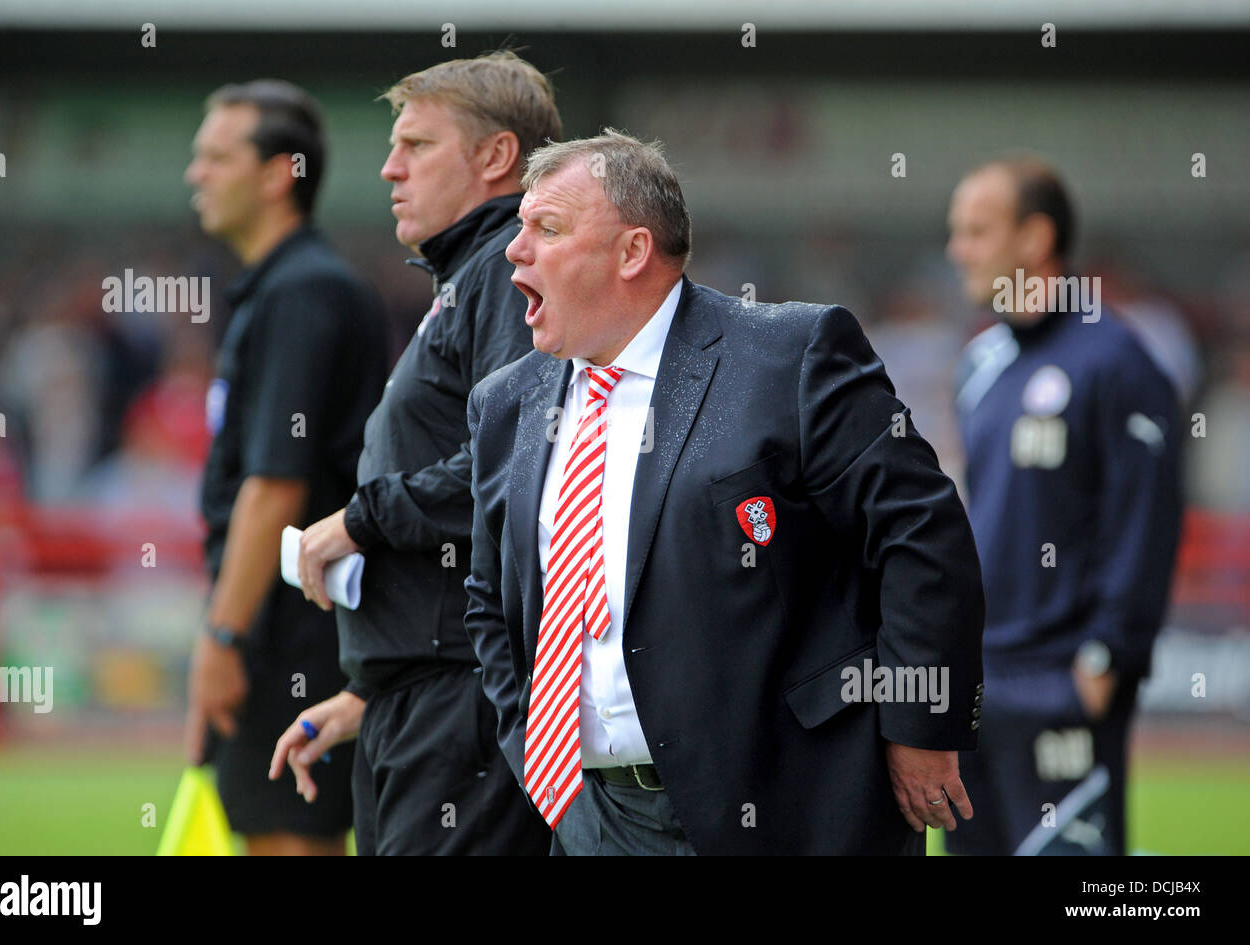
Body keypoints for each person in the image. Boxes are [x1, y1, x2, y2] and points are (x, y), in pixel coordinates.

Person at [463, 130, 986, 855]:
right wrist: (531, 748)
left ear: (631, 251)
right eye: (518, 228)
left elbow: (921, 535)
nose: (514, 251)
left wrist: (917, 722)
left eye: (546, 228)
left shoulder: (790, 354)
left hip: (788, 805)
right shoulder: (505, 404)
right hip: (591, 818)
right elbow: (490, 598)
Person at [269, 52, 559, 856]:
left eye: (417, 145)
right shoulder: (468, 277)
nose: (391, 168)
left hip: (461, 705)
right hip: (425, 697)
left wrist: (358, 521)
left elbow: (517, 461)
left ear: (496, 156)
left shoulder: (506, 268)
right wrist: (370, 693)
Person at [944, 157, 1183, 855]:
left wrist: (1108, 654)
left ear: (1035, 237)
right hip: (979, 683)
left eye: (977, 230)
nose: (958, 249)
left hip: (1063, 680)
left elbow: (1145, 516)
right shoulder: (979, 363)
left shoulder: (1117, 359)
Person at [184, 79, 389, 855]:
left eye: (214, 156)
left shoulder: (301, 294)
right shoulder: (297, 287)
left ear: (277, 175)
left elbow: (275, 484)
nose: (194, 173)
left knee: (286, 838)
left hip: (289, 629)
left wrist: (223, 635)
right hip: (299, 622)